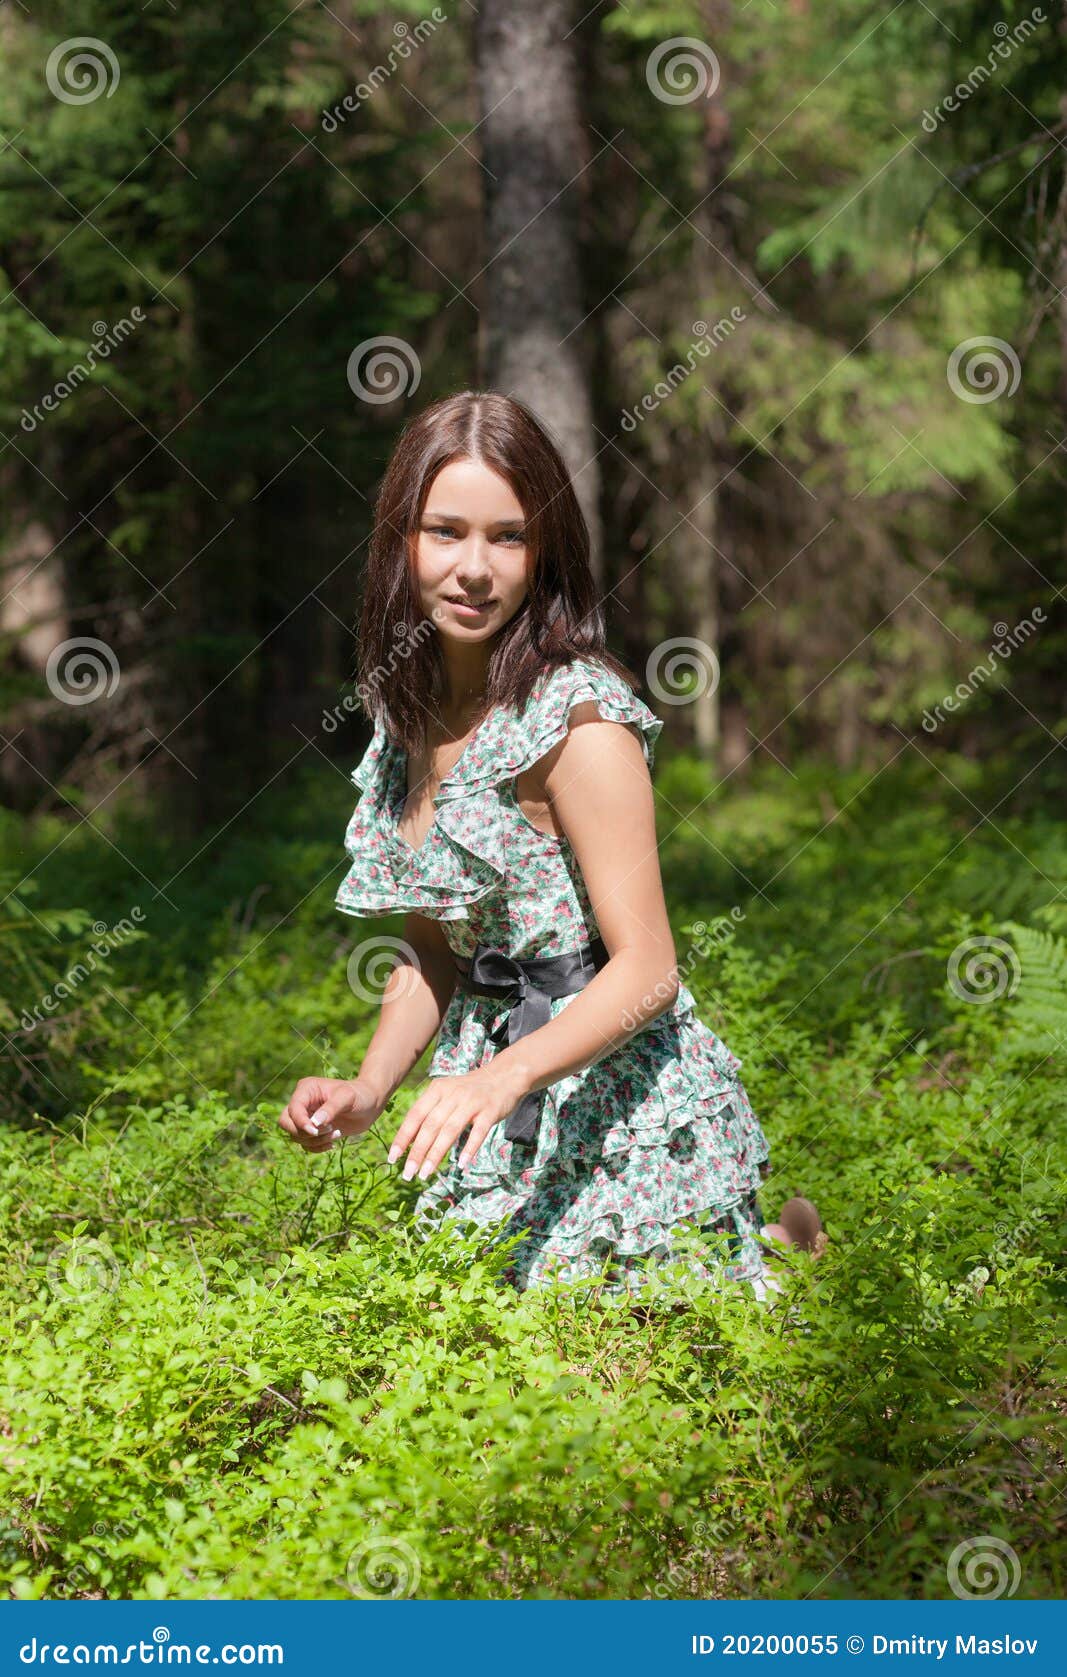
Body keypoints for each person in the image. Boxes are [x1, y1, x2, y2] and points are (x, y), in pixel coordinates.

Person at [279, 389, 825, 1301]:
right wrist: (371, 1089)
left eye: (508, 537)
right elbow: (433, 951)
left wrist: (503, 1075)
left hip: (611, 1100)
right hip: (489, 1092)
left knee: (639, 1340)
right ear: (398, 542)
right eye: (444, 531)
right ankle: (776, 1240)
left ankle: (779, 1244)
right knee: (461, 1332)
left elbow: (649, 967)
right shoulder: (404, 717)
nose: (473, 569)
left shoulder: (579, 723)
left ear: (545, 552)